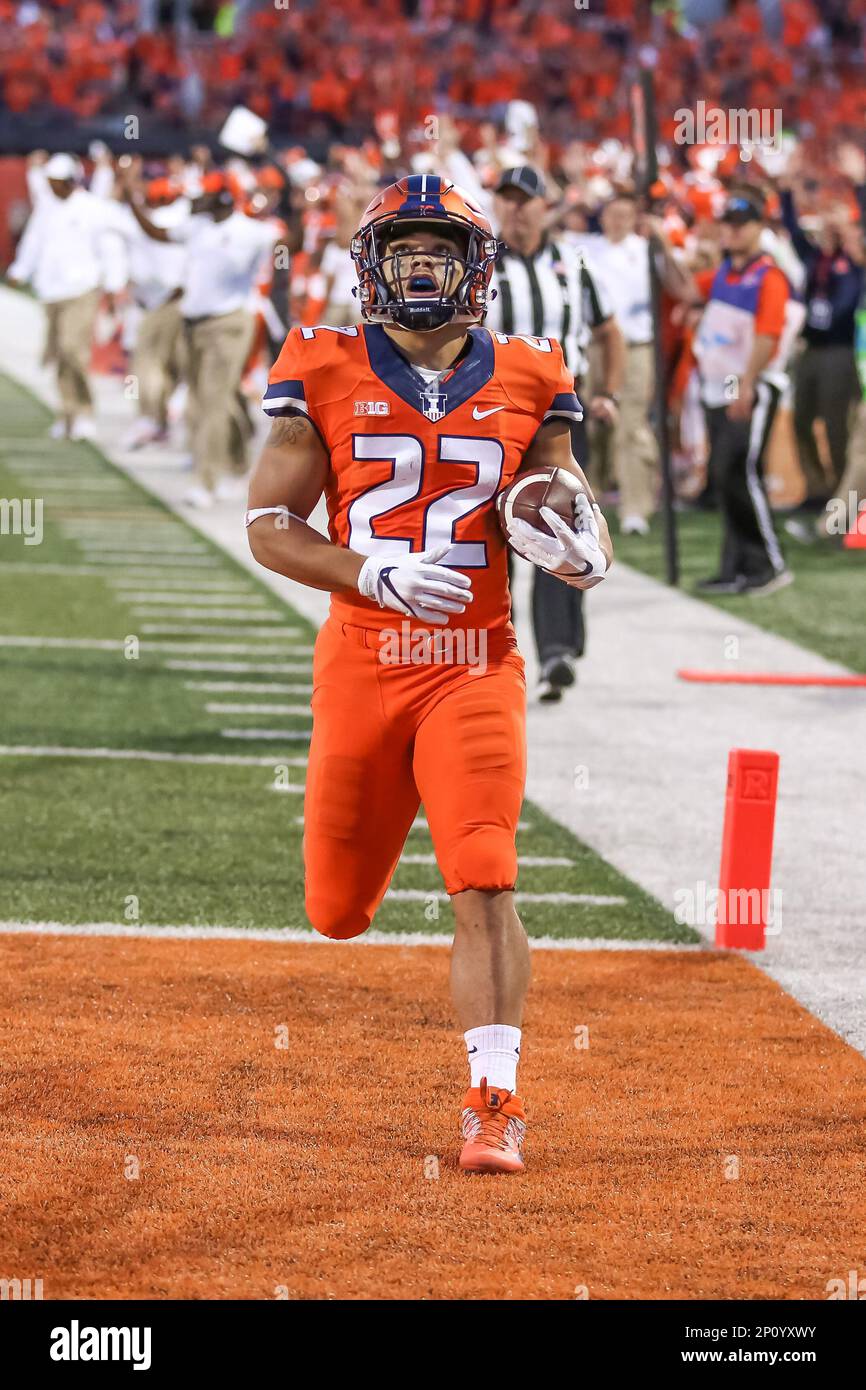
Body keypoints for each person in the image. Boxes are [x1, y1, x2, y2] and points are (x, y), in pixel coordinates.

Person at [246, 175, 612, 1174]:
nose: (419, 264)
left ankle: (492, 1099)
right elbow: (266, 525)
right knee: (336, 910)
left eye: (437, 250)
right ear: (371, 266)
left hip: (473, 660)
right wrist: (366, 569)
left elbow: (555, 482)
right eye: (402, 248)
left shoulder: (534, 370)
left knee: (485, 873)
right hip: (363, 661)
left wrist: (574, 532)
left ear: (472, 270)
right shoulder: (318, 362)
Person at [485, 166, 624, 702]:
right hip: (492, 418)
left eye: (527, 200)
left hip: (561, 418)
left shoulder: (575, 264)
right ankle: (501, 651)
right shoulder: (481, 263)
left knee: (564, 531)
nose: (518, 209)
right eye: (509, 199)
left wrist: (606, 391)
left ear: (547, 207)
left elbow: (608, 331)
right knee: (491, 536)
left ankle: (558, 652)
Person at [122, 170, 280, 507]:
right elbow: (157, 232)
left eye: (205, 196)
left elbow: (287, 248)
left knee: (208, 402)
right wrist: (132, 200)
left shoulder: (251, 232)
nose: (197, 201)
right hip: (193, 323)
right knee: (214, 397)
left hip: (228, 323)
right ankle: (238, 460)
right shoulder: (198, 226)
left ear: (224, 198)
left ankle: (207, 479)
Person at [692, 195, 798, 596]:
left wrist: (748, 383)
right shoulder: (724, 273)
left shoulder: (768, 277)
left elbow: (767, 335)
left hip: (748, 385)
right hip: (720, 387)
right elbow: (685, 288)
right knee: (725, 475)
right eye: (728, 223)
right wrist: (661, 246)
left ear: (758, 227)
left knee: (738, 471)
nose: (733, 229)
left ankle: (768, 563)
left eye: (741, 222)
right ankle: (736, 567)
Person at [7, 152, 129, 440]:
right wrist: (20, 270)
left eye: (56, 182)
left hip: (82, 289)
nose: (51, 187)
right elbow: (34, 243)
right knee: (60, 353)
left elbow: (110, 248)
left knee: (74, 350)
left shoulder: (92, 208)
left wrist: (114, 284)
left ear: (70, 182)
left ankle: (84, 410)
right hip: (51, 290)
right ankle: (66, 411)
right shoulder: (46, 209)